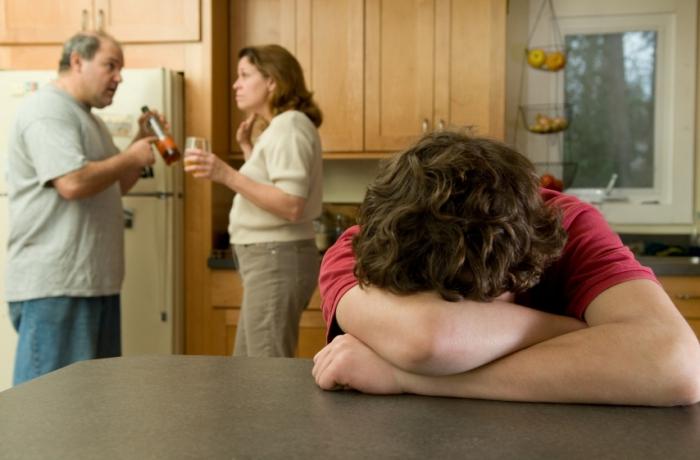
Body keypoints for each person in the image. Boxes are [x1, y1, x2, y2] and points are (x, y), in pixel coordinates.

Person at [312, 131, 700, 406]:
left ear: (530, 257)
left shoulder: (568, 225)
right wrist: (570, 331)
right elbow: (429, 340)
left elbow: (678, 365)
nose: (466, 319)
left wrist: (406, 378)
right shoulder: (359, 247)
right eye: (438, 300)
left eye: (481, 303)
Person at [5, 31, 160, 385]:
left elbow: (113, 186)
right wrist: (129, 156)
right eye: (110, 65)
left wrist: (136, 147)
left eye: (120, 68)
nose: (119, 77)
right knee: (48, 409)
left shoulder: (89, 119)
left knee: (90, 408)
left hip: (92, 283)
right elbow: (72, 183)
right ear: (77, 61)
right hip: (58, 286)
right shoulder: (48, 111)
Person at [184, 44, 323, 357]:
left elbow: (291, 204)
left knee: (265, 372)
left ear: (272, 81)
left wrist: (226, 173)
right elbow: (272, 187)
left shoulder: (289, 125)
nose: (236, 84)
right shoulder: (282, 127)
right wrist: (249, 151)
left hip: (275, 258)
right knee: (250, 367)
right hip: (271, 258)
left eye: (245, 75)